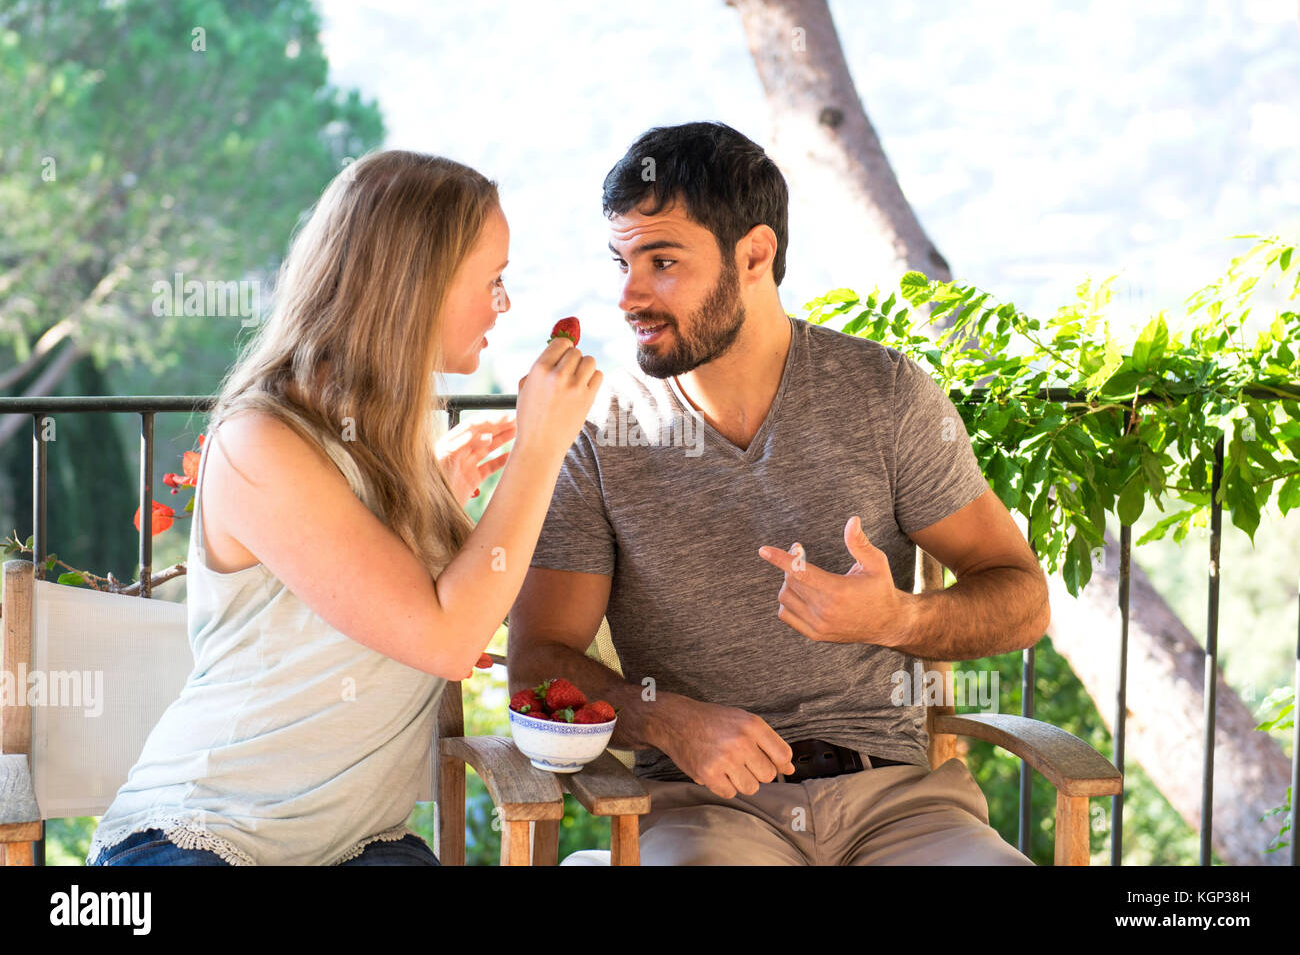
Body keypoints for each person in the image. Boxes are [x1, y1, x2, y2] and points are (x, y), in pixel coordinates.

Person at [506, 121, 1049, 865]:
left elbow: (1022, 599)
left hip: (900, 806)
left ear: (754, 254)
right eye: (622, 261)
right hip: (705, 812)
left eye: (662, 261)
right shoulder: (598, 433)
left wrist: (900, 618)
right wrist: (668, 721)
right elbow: (540, 658)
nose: (630, 295)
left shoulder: (884, 394)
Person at [87, 149, 602, 865]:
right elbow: (448, 641)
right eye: (492, 280)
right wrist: (540, 447)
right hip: (205, 834)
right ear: (414, 286)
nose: (505, 303)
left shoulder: (386, 444)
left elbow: (405, 609)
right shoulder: (260, 442)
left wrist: (433, 517)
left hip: (362, 844)